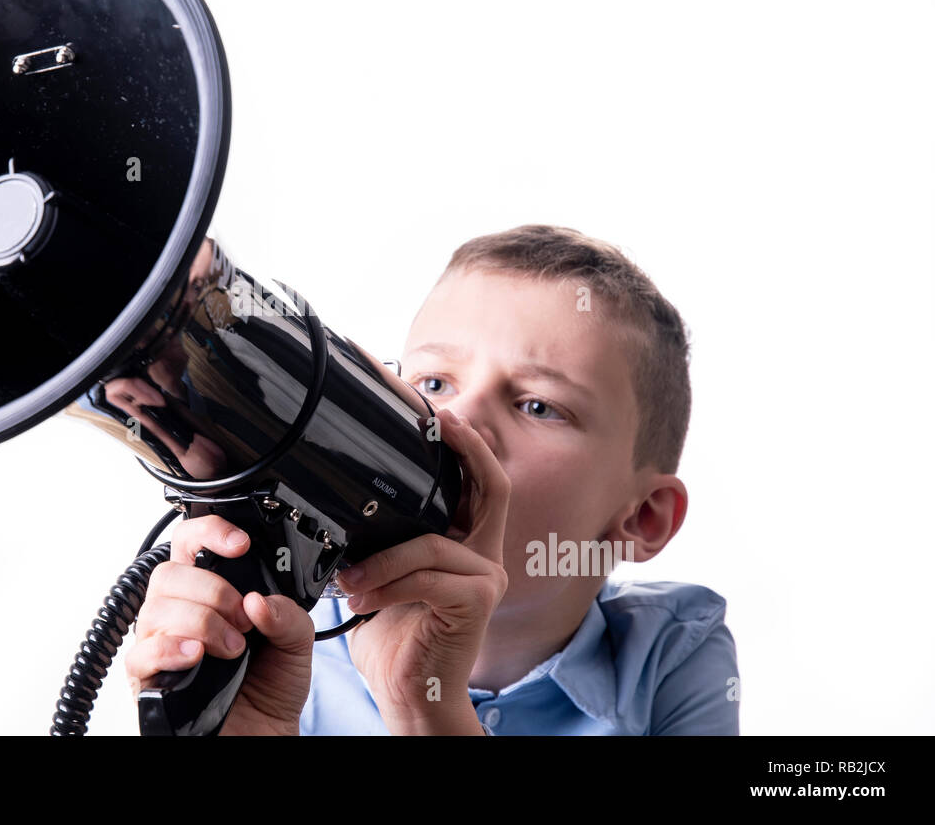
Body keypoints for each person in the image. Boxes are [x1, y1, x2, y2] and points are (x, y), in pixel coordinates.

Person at [123, 225, 739, 735]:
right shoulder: (284, 635)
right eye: (435, 384)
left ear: (643, 518)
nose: (454, 420)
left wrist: (423, 708)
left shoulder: (671, 658)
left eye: (537, 406)